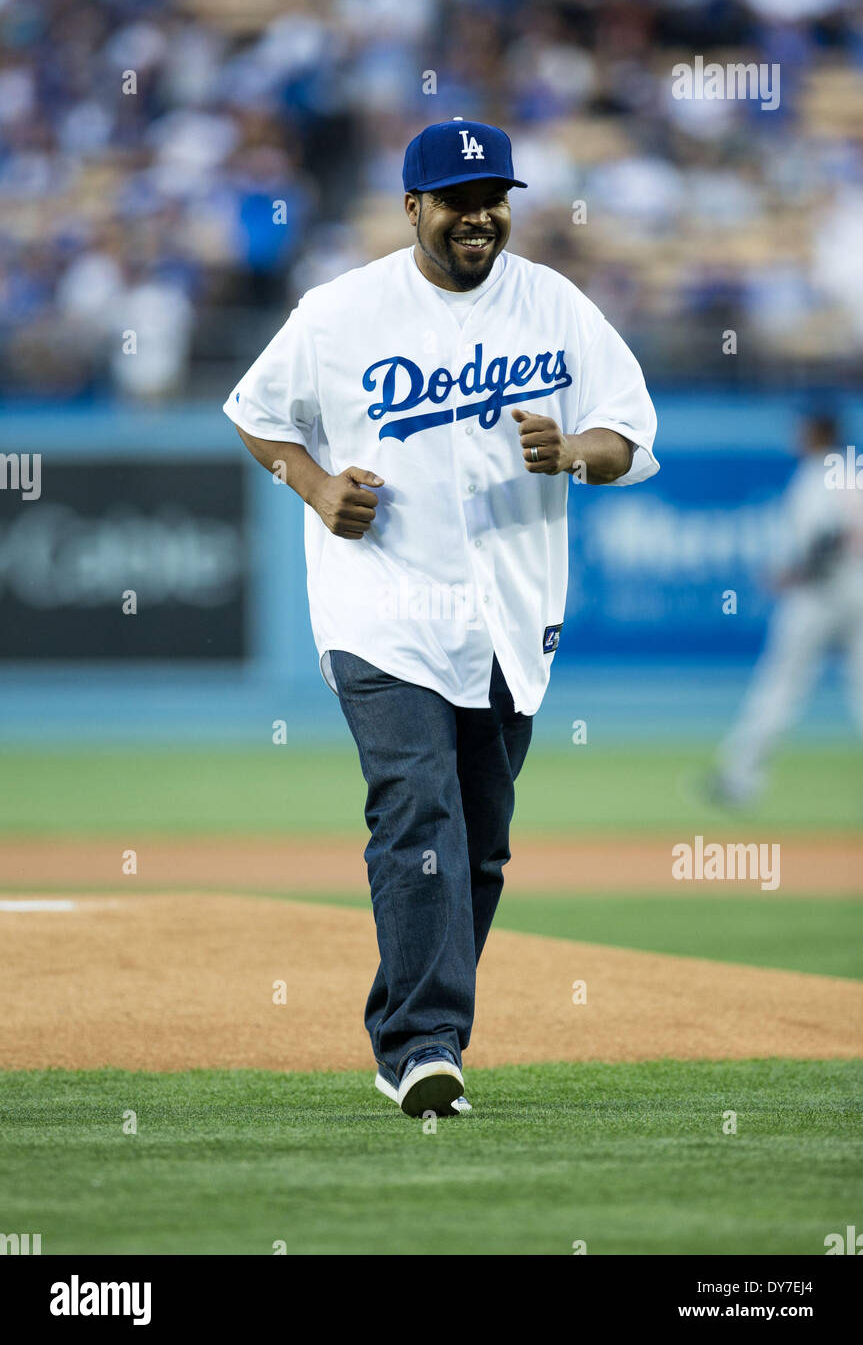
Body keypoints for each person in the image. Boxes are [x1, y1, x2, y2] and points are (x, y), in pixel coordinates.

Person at [224, 119, 659, 1117]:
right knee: (414, 806)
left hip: (508, 611)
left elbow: (629, 435)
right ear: (411, 206)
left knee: (481, 843)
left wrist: (573, 452)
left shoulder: (552, 304)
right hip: (380, 607)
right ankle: (421, 1046)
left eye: (493, 194)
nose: (479, 214)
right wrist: (317, 486)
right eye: (457, 198)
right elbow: (257, 411)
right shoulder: (340, 312)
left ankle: (413, 1020)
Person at [712, 410, 863, 806]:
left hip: (819, 594)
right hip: (858, 589)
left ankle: (739, 780)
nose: (797, 434)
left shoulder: (817, 474)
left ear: (818, 432)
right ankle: (739, 778)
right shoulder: (853, 472)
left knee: (779, 686)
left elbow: (827, 538)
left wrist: (792, 574)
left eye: (804, 427)